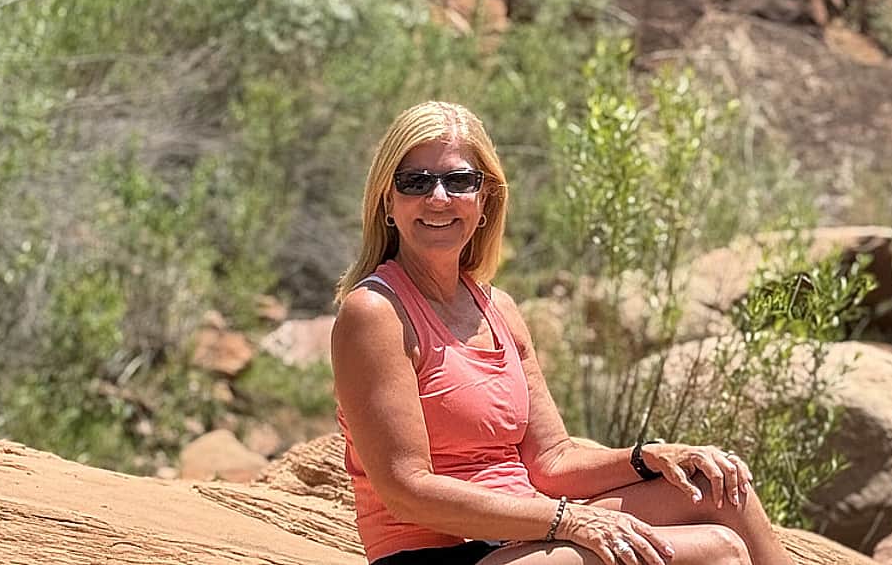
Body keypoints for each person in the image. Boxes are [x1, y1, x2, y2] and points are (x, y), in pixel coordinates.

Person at [331, 101, 795, 565]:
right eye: (415, 182)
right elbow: (407, 491)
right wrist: (569, 521)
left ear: (485, 198)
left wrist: (649, 457)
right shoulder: (374, 313)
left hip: (522, 539)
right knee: (719, 550)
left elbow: (552, 461)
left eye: (458, 181)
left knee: (718, 487)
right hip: (440, 553)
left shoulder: (497, 308)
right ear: (388, 201)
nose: (438, 198)